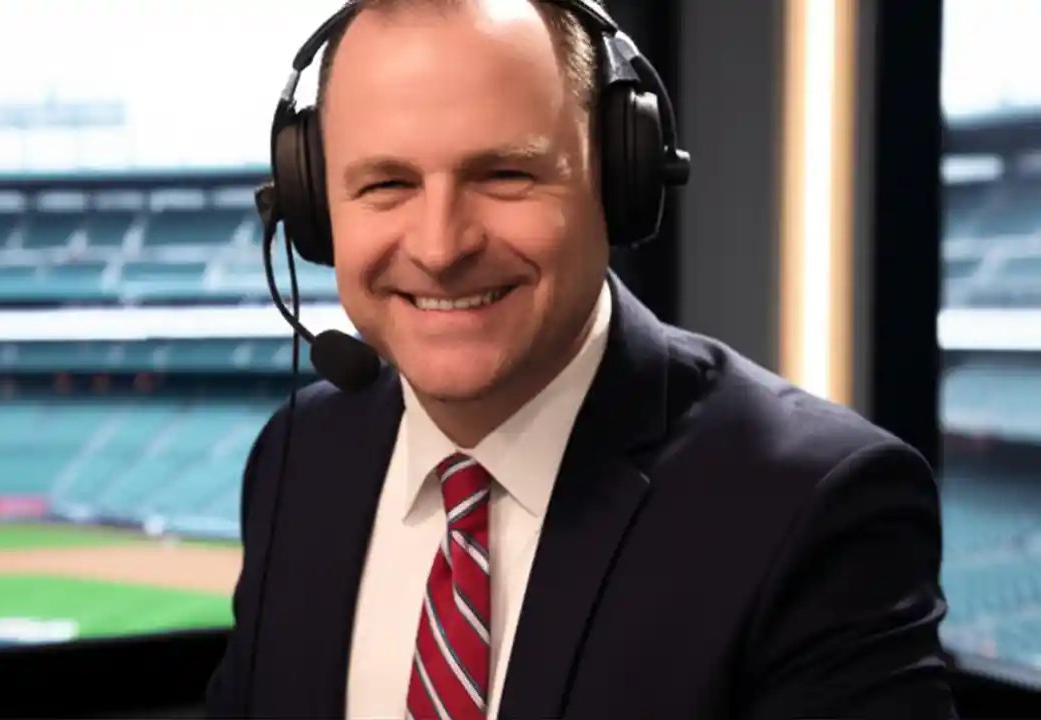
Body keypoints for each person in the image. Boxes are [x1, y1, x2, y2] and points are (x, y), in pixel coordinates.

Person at [207, 0, 957, 717]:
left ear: (621, 181)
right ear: (313, 209)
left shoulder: (817, 508)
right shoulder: (296, 458)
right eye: (387, 184)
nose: (440, 248)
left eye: (505, 175)